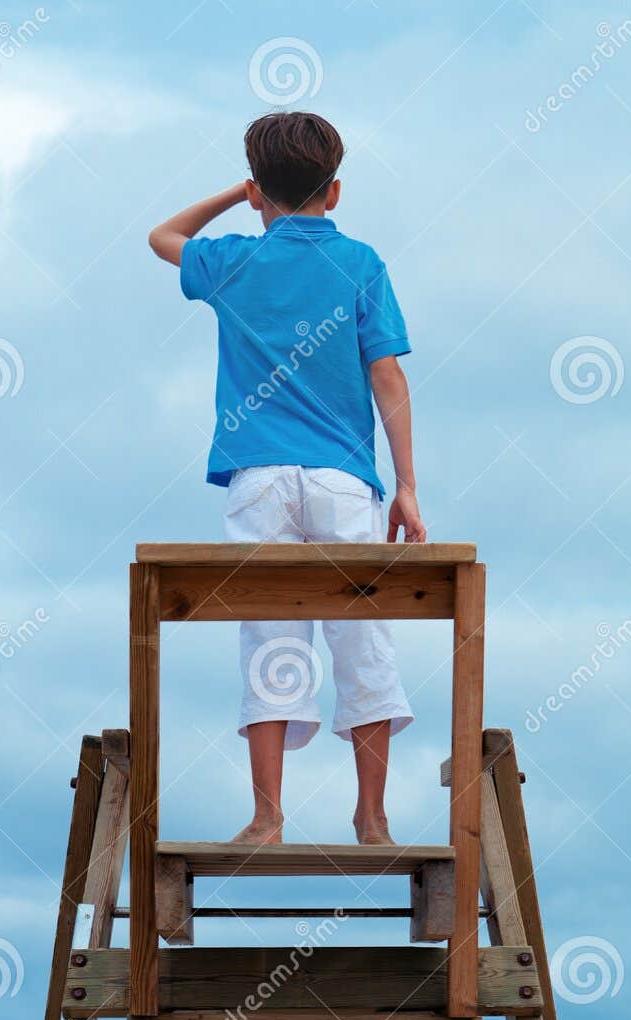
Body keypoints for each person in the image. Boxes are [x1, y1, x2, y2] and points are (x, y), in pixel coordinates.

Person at [149, 111, 425, 846]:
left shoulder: (234, 259)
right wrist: (405, 485)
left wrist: (233, 197)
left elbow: (162, 237)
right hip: (342, 481)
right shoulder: (360, 263)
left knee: (270, 639)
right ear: (334, 193)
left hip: (259, 477)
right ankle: (372, 816)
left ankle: (267, 815)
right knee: (362, 640)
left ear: (258, 191)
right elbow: (386, 375)